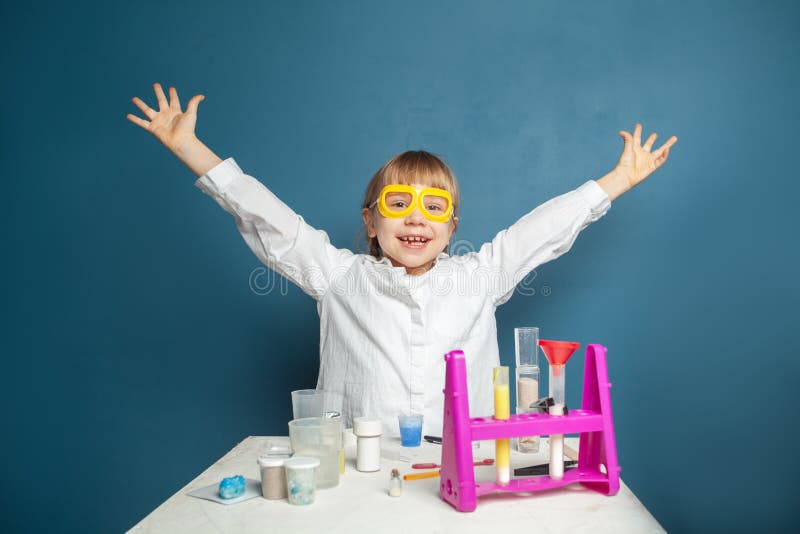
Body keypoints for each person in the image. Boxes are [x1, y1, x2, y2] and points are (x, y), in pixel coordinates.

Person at [126, 83, 677, 436]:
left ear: (451, 226)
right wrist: (192, 152)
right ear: (370, 221)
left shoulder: (479, 276)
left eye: (433, 207)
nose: (417, 220)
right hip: (359, 471)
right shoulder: (338, 276)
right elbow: (271, 221)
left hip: (468, 465)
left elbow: (541, 232)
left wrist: (617, 181)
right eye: (399, 204)